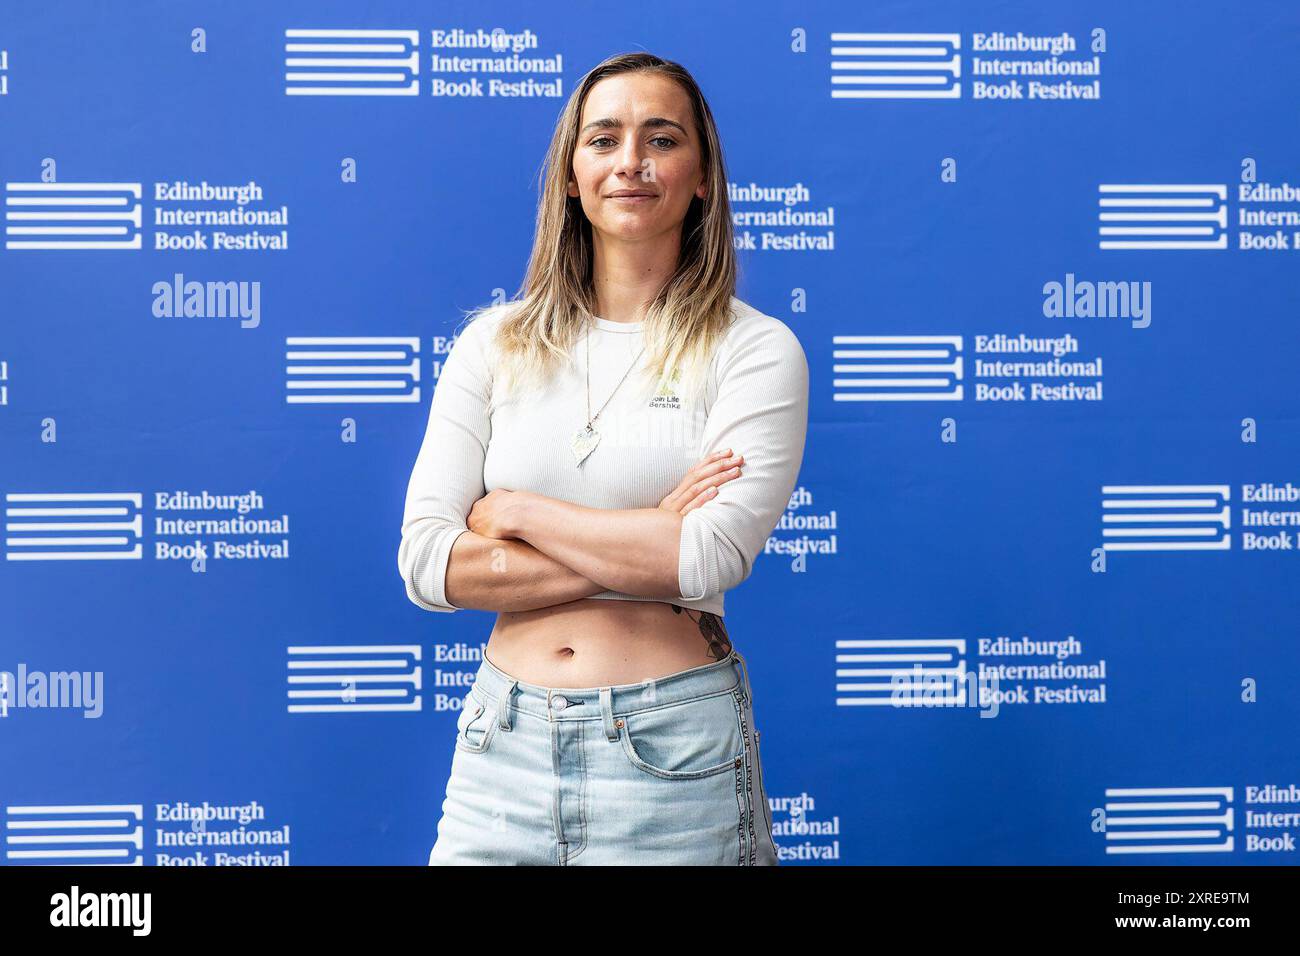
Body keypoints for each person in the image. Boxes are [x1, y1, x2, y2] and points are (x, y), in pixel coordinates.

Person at [398, 51, 809, 865]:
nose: (631, 162)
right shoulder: (493, 343)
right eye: (604, 139)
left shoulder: (754, 349)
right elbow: (429, 565)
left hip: (673, 753)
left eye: (662, 139)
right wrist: (648, 531)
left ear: (702, 176)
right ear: (570, 174)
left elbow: (705, 557)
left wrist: (518, 513)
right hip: (500, 751)